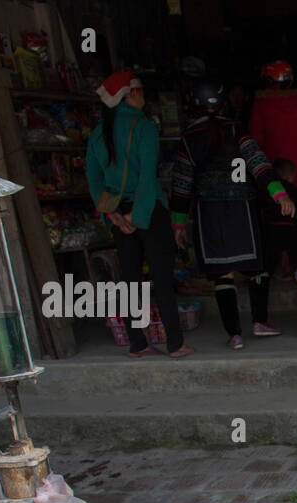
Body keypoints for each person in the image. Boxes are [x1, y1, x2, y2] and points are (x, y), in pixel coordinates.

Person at [170, 79, 294, 349]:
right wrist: (279, 194)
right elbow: (259, 163)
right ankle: (260, 322)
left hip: (209, 212)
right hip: (242, 208)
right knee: (256, 266)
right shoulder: (236, 129)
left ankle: (234, 335)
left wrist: (178, 224)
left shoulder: (189, 137)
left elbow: (181, 183)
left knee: (222, 273)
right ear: (222, 103)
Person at [87, 70, 192, 357]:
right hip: (148, 211)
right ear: (130, 94)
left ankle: (138, 343)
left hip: (118, 212)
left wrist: (115, 217)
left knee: (130, 279)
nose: (144, 95)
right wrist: (139, 216)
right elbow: (147, 179)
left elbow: (95, 181)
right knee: (161, 278)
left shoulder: (98, 133)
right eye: (141, 90)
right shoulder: (143, 128)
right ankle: (175, 343)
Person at [250, 60, 297, 253]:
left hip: (275, 174)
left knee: (278, 220)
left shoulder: (261, 106)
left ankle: (283, 262)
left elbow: (253, 144)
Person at [264, 158, 297, 278]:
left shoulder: (270, 190)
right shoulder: (293, 188)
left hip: (272, 227)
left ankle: (267, 273)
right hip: (291, 228)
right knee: (295, 252)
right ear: (291, 176)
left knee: (271, 254)